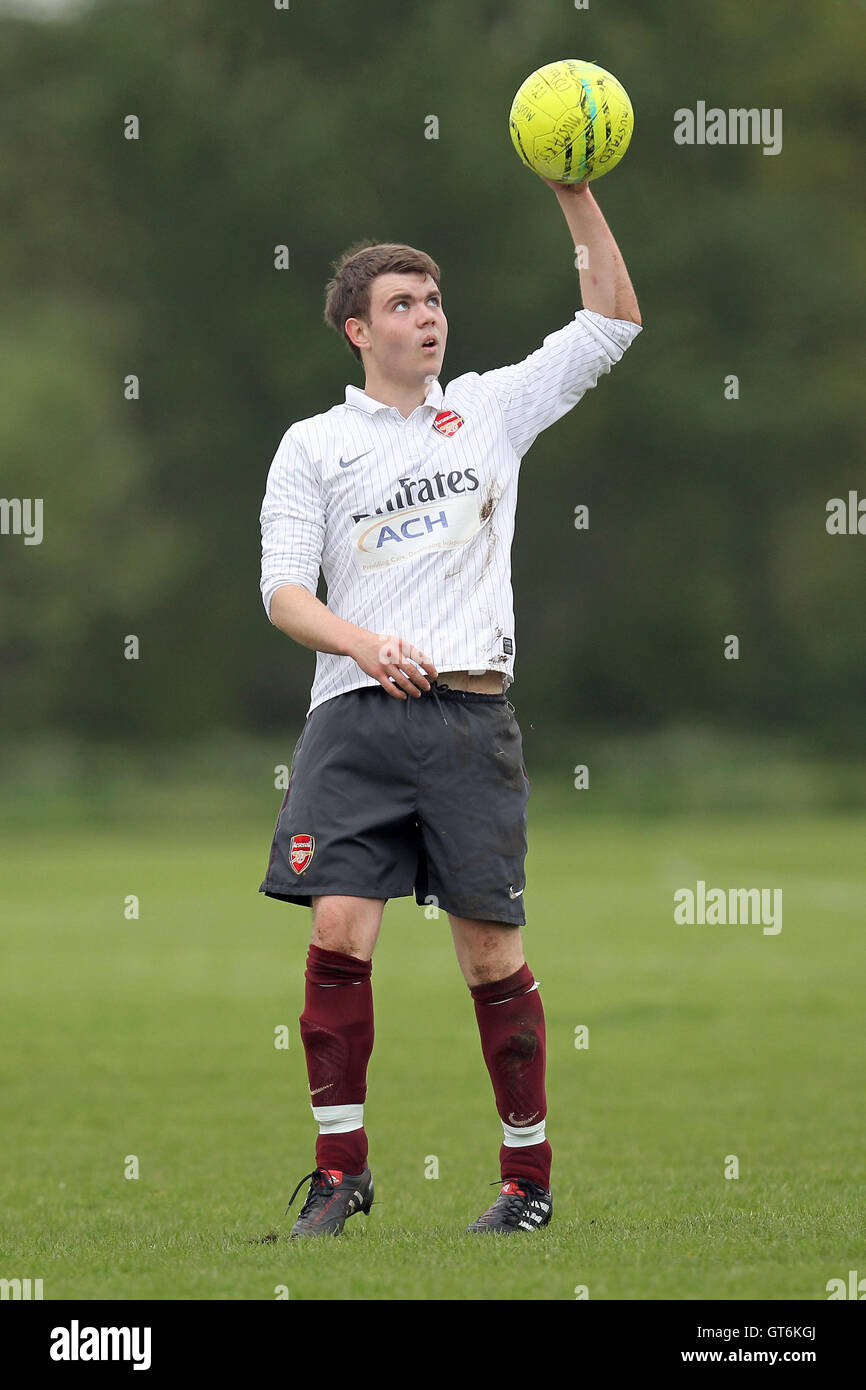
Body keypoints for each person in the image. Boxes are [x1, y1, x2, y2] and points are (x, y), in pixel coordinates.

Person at [258, 176, 642, 1237]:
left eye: (432, 301)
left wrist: (571, 191)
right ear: (355, 329)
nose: (426, 317)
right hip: (351, 715)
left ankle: (527, 1184)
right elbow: (284, 592)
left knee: (490, 957)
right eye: (401, 304)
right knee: (338, 926)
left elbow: (610, 320)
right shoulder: (313, 446)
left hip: (471, 721)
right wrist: (363, 642)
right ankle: (339, 1175)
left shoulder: (489, 409)